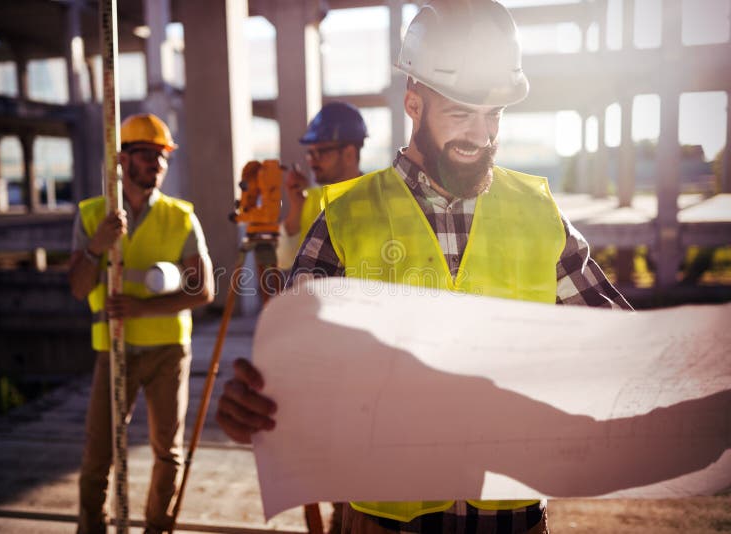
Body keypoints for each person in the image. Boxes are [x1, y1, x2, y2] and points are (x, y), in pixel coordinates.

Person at [216, 1, 632, 533]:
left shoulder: (536, 211)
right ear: (414, 103)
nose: (481, 135)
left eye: (493, 115)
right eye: (461, 112)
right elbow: (294, 371)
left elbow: (620, 343)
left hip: (511, 517)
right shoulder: (348, 218)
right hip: (387, 517)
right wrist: (253, 406)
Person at [68, 113, 214, 534]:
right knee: (98, 455)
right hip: (112, 351)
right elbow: (78, 289)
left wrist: (141, 308)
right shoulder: (93, 215)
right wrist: (97, 246)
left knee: (168, 453)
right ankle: (91, 527)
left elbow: (203, 291)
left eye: (162, 157)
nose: (158, 165)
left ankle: (156, 529)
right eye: (147, 156)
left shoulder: (181, 217)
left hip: (168, 351)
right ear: (123, 160)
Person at [277, 102, 369, 268]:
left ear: (349, 153)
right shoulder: (308, 199)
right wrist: (296, 208)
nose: (313, 160)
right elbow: (283, 261)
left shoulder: (376, 198)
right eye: (310, 152)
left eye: (321, 151)